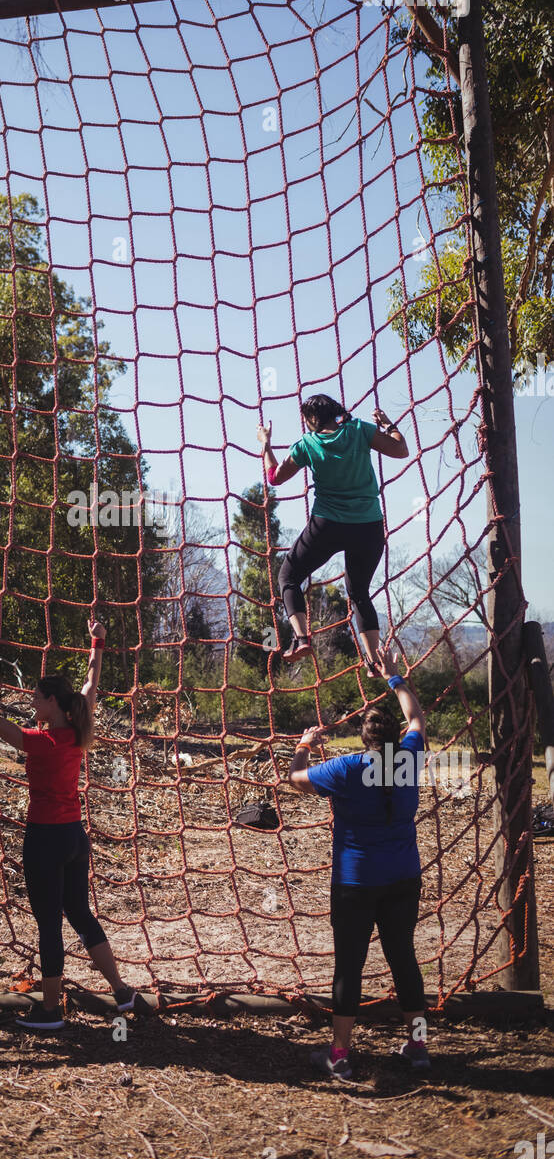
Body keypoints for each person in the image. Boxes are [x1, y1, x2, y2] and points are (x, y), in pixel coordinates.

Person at [0, 620, 138, 1032]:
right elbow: (91, 682)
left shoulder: (39, 741)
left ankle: (49, 1010)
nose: (32, 703)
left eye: (37, 698)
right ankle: (121, 991)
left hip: (44, 838)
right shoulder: (77, 731)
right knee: (79, 912)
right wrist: (97, 641)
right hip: (74, 837)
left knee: (49, 922)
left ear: (52, 703)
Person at [287, 643, 430, 1077]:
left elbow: (294, 780)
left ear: (364, 741)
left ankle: (340, 1054)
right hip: (404, 878)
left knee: (349, 965)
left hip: (355, 882)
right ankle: (419, 1046)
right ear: (393, 738)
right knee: (404, 959)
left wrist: (304, 745)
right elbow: (417, 718)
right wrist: (392, 676)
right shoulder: (408, 759)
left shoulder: (347, 769)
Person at [258, 395, 408, 671]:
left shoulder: (307, 444)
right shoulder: (360, 430)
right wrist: (389, 424)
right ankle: (375, 663)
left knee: (288, 576)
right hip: (369, 526)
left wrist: (266, 445)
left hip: (327, 525)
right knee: (359, 592)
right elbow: (401, 450)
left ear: (313, 419)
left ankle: (301, 638)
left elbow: (274, 477)